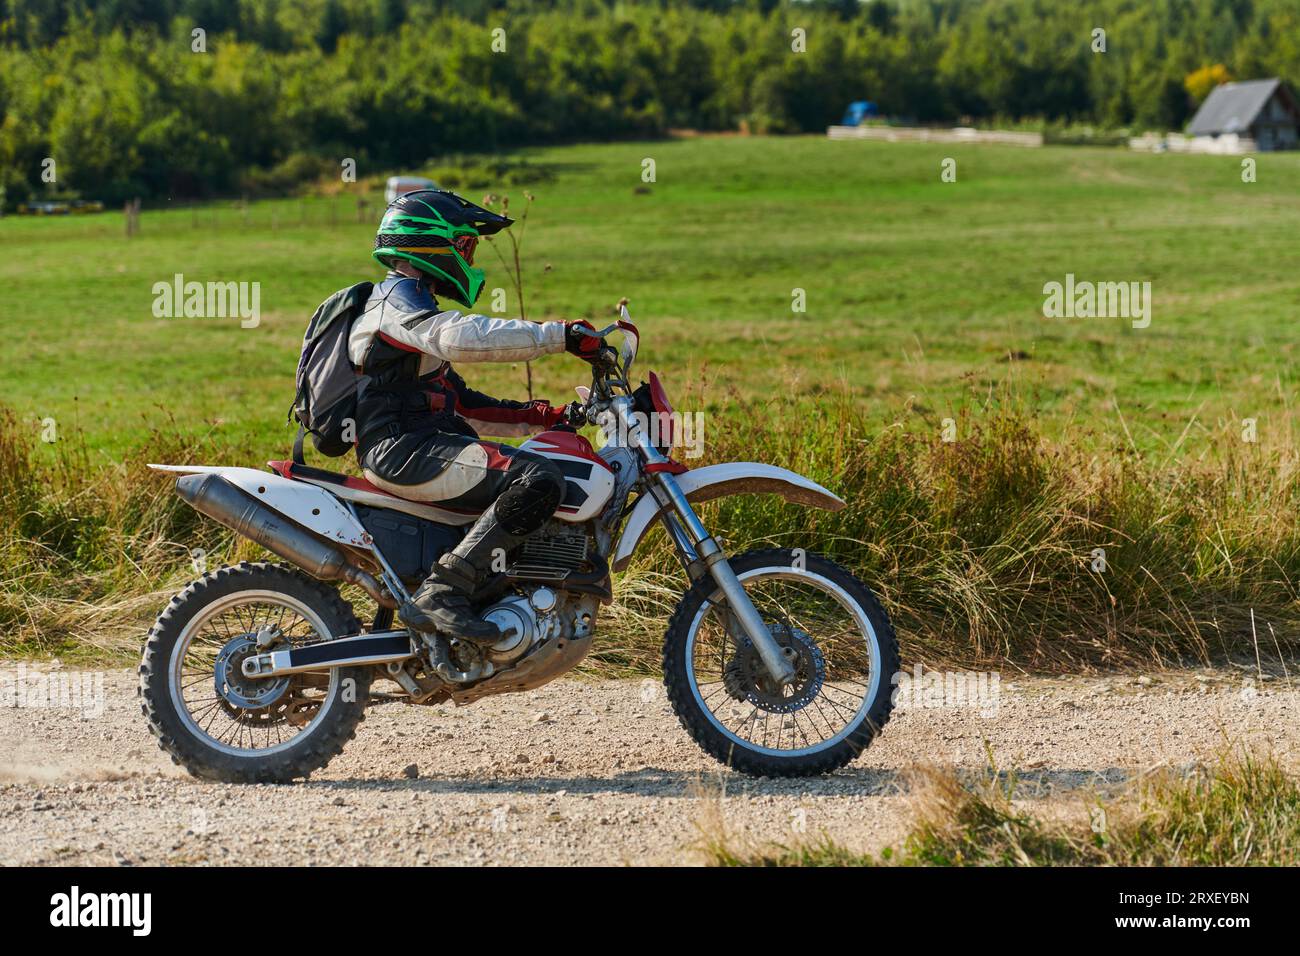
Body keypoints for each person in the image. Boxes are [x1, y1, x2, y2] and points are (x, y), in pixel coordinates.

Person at [349, 189, 602, 641]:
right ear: (430, 243)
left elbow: (462, 404)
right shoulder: (397, 299)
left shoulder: (412, 304)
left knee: (537, 468)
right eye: (465, 246)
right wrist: (557, 336)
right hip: (402, 450)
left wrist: (551, 417)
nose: (470, 258)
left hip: (419, 444)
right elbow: (457, 337)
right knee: (537, 479)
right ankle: (442, 592)